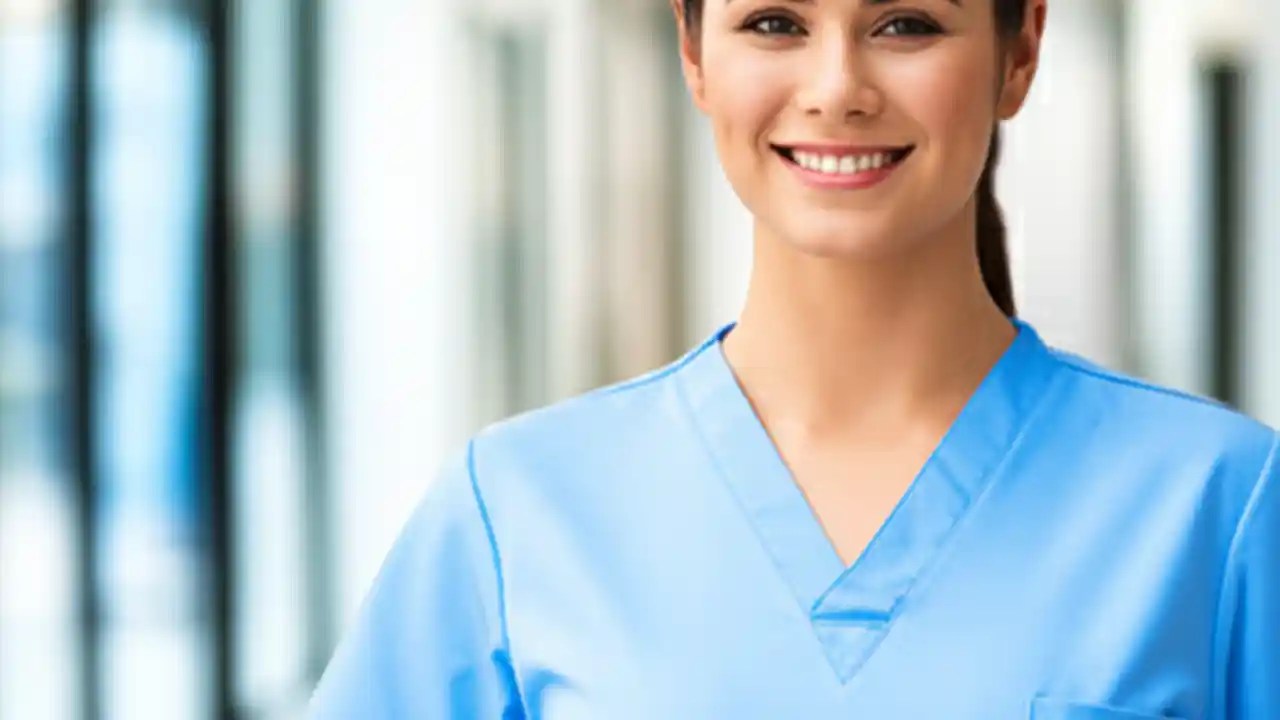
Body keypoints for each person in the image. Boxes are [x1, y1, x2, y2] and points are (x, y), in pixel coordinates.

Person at [308, 0, 1278, 717]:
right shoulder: (515, 514)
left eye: (904, 25)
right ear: (692, 53)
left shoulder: (1217, 505)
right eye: (773, 24)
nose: (835, 91)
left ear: (1019, 49)